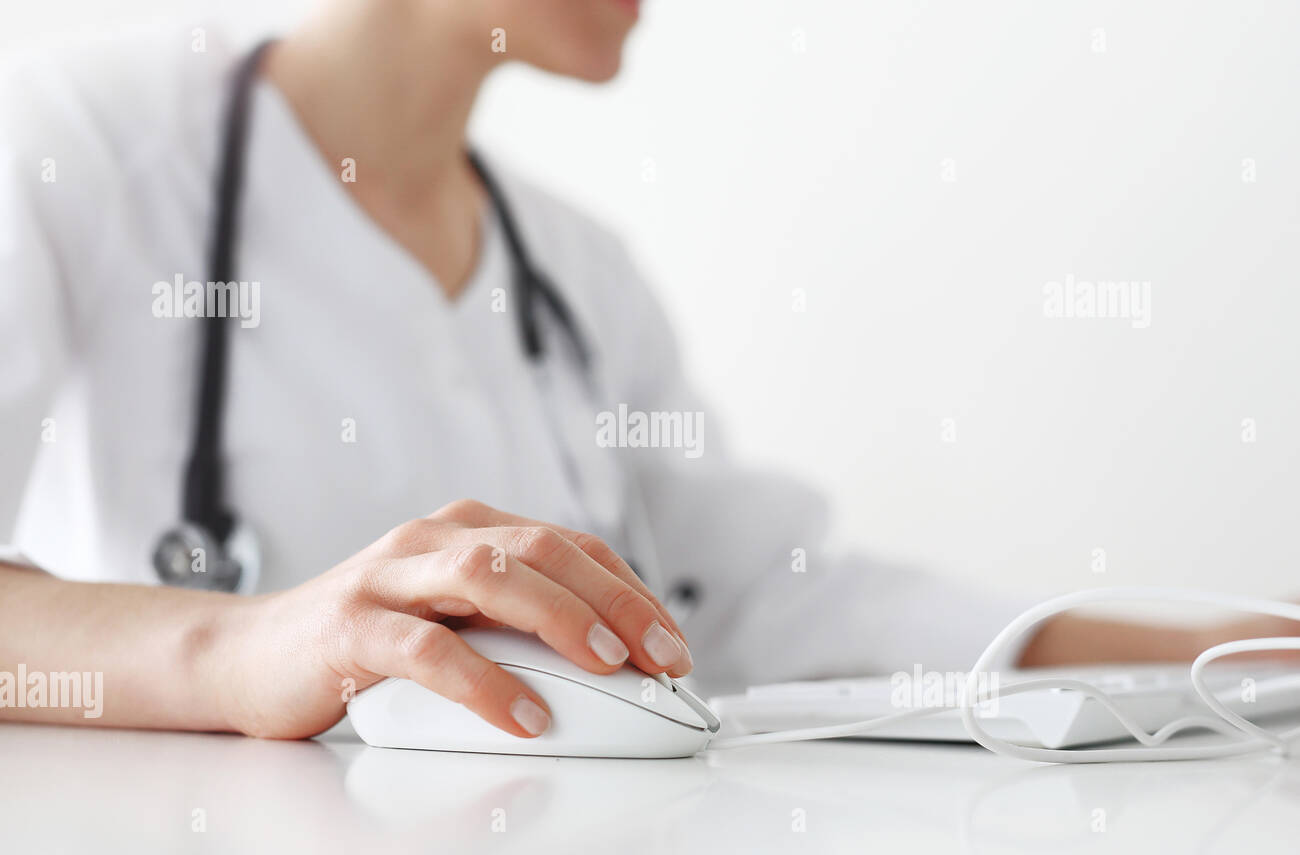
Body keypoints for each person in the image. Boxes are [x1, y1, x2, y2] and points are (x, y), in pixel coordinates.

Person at [0, 0, 1279, 741]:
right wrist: (247, 648)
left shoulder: (576, 266)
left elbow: (755, 601)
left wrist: (1235, 647)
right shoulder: (74, 144)